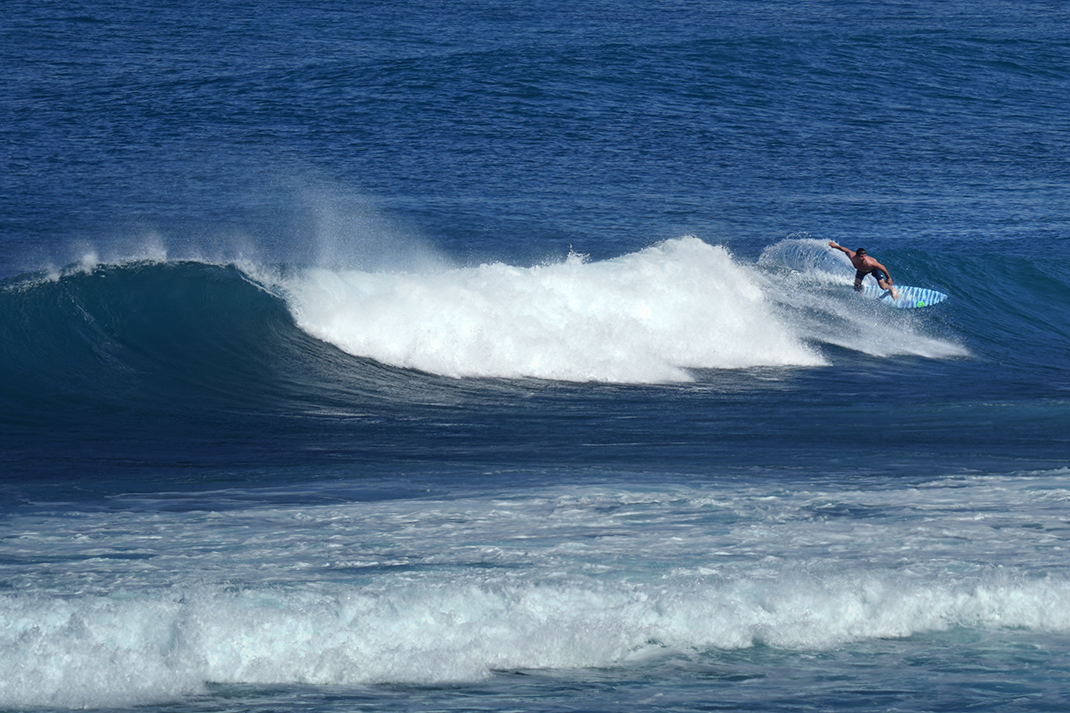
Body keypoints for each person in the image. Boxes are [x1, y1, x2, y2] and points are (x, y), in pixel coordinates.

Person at [829, 242, 898, 299]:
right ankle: (862, 287)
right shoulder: (852, 256)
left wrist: (888, 278)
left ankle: (891, 288)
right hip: (861, 270)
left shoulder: (870, 263)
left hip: (873, 269)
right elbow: (846, 250)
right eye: (862, 256)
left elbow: (882, 267)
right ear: (857, 256)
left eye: (865, 256)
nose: (864, 258)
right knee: (856, 287)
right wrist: (835, 246)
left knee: (883, 286)